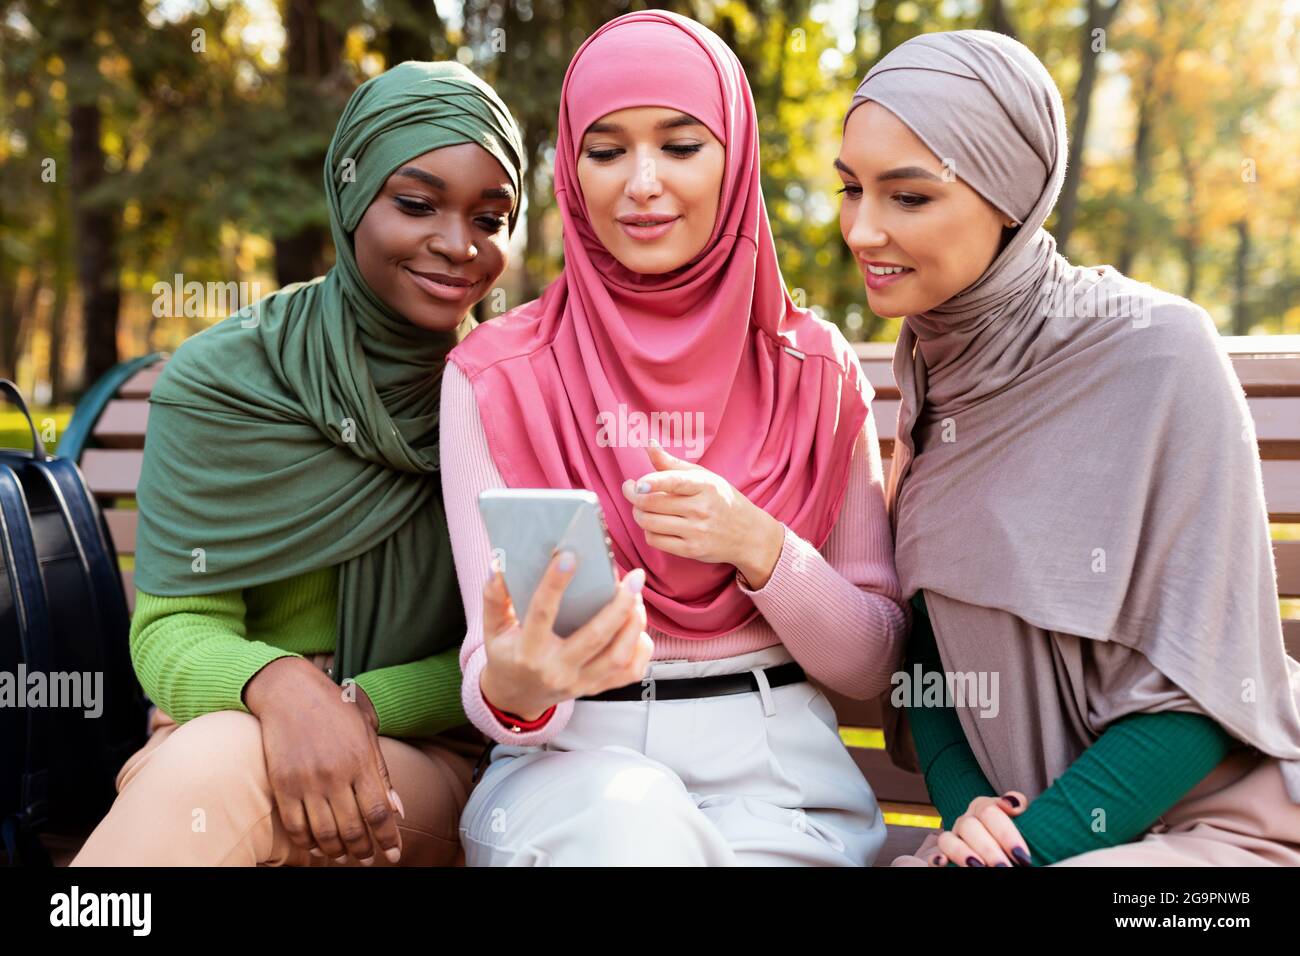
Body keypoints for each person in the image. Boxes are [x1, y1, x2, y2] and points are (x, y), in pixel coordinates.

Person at [442, 10, 907, 867]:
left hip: (777, 782)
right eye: (607, 149)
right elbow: (490, 675)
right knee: (632, 830)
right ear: (570, 170)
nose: (640, 184)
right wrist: (517, 685)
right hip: (571, 771)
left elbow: (872, 663)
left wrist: (759, 545)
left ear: (735, 159)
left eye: (682, 146)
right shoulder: (494, 374)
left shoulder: (815, 369)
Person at [834, 29, 1300, 866]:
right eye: (850, 190)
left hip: (1215, 836)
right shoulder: (935, 372)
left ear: (1010, 194)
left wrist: (1025, 849)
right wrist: (974, 817)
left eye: (907, 197)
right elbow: (931, 657)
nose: (863, 231)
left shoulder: (1159, 354)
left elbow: (1210, 686)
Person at [71, 61, 525, 867]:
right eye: (416, 204)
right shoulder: (224, 380)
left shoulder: (501, 391)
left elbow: (502, 644)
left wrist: (348, 709)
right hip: (218, 724)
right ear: (352, 198)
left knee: (215, 776)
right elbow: (177, 628)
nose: (459, 246)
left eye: (490, 219)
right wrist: (280, 689)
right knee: (215, 763)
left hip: (421, 762)